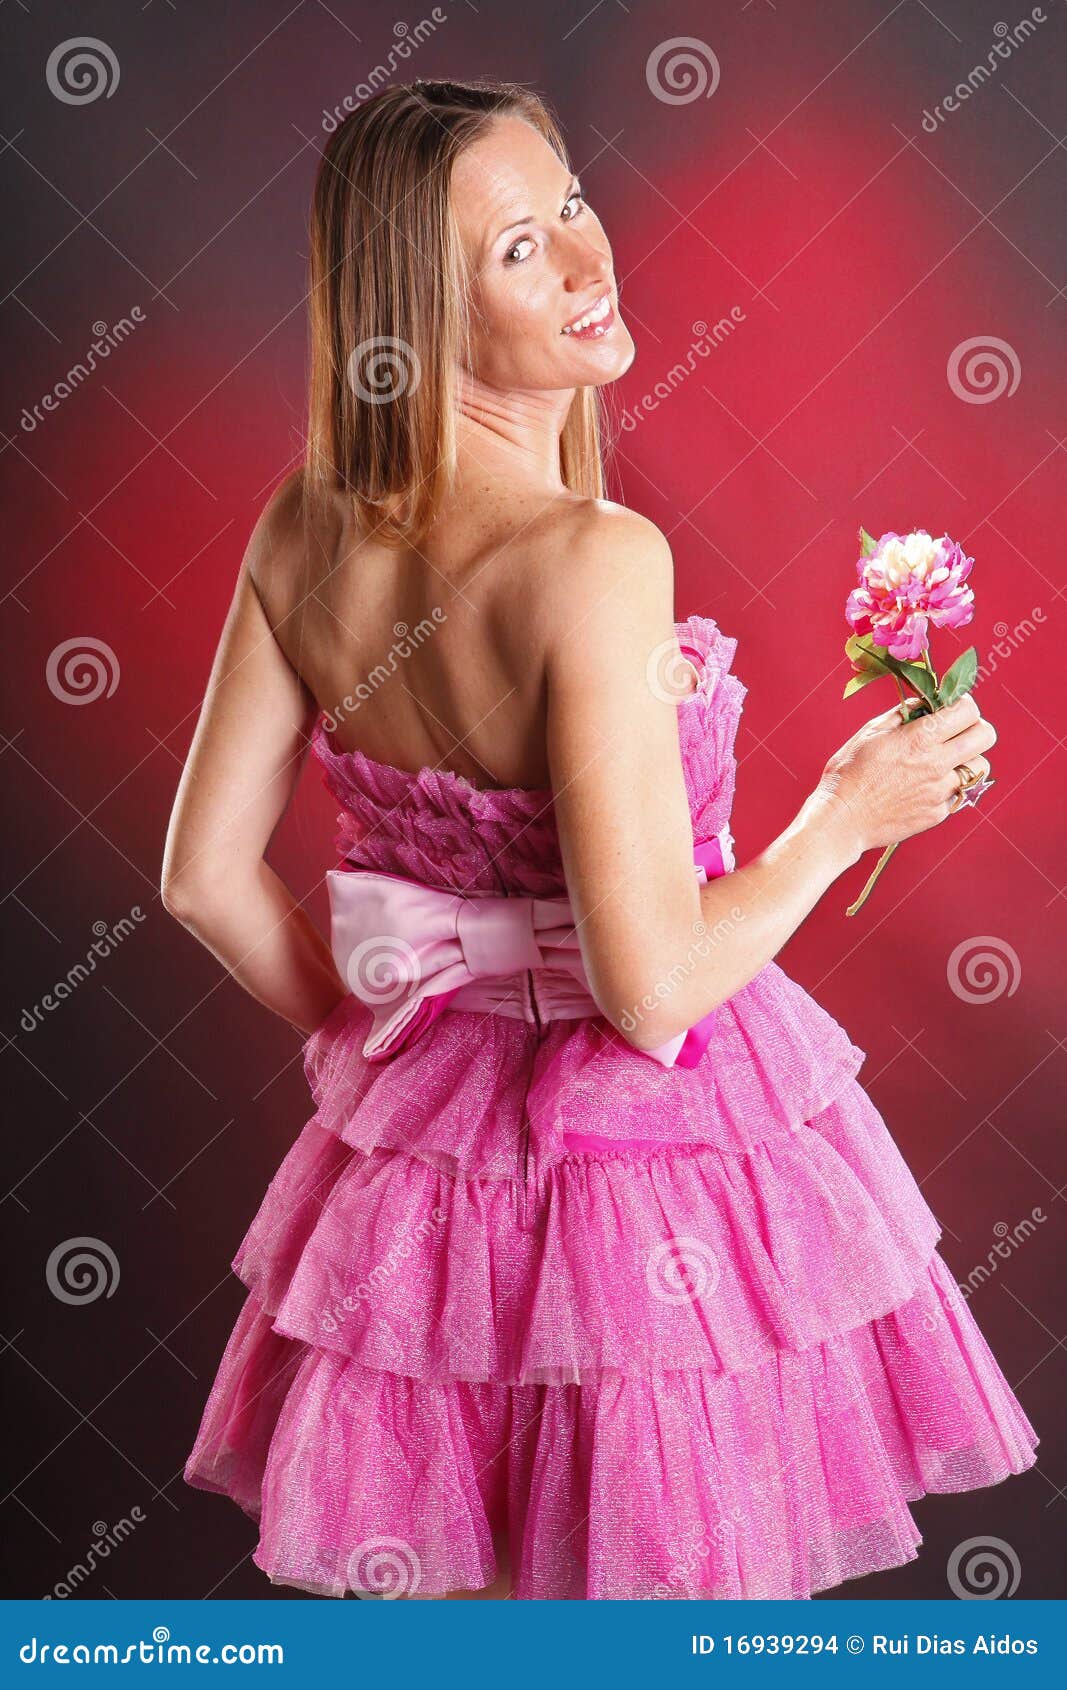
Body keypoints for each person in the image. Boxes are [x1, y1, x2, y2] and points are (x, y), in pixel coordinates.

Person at [163, 78, 1036, 1602]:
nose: (585, 261)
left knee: (480, 1613)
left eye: (569, 203)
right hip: (643, 1181)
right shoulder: (592, 557)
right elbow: (650, 992)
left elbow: (201, 878)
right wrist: (848, 816)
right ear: (420, 313)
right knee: (653, 1602)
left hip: (428, 1186)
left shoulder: (302, 525)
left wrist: (380, 1037)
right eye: (518, 249)